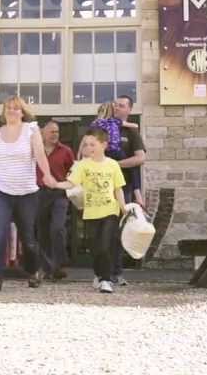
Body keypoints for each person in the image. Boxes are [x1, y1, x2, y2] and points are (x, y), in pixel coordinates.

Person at [0, 96, 59, 292]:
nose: (12, 111)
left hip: (26, 192)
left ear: (22, 112)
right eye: (8, 108)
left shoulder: (31, 130)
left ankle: (34, 269)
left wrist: (47, 175)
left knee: (28, 238)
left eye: (16, 108)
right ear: (4, 112)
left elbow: (39, 155)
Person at [53, 129, 126, 294]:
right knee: (95, 247)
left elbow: (118, 189)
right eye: (86, 144)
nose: (89, 147)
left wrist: (124, 209)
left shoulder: (113, 165)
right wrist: (56, 184)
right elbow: (71, 183)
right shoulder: (83, 165)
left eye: (93, 144)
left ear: (104, 145)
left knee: (105, 246)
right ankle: (99, 273)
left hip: (110, 211)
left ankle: (106, 280)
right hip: (91, 213)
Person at [90, 95, 145, 286]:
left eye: (121, 106)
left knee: (119, 231)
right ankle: (101, 273)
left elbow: (139, 159)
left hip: (124, 187)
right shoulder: (101, 129)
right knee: (102, 231)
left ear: (129, 110)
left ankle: (117, 272)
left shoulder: (131, 132)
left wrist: (115, 165)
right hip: (101, 187)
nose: (117, 108)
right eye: (115, 105)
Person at [35, 119, 75, 280]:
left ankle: (59, 264)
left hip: (59, 194)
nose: (55, 134)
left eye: (57, 131)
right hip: (38, 194)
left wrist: (66, 185)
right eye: (51, 131)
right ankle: (48, 268)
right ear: (42, 133)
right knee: (42, 232)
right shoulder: (34, 151)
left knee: (57, 228)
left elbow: (73, 172)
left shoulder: (66, 151)